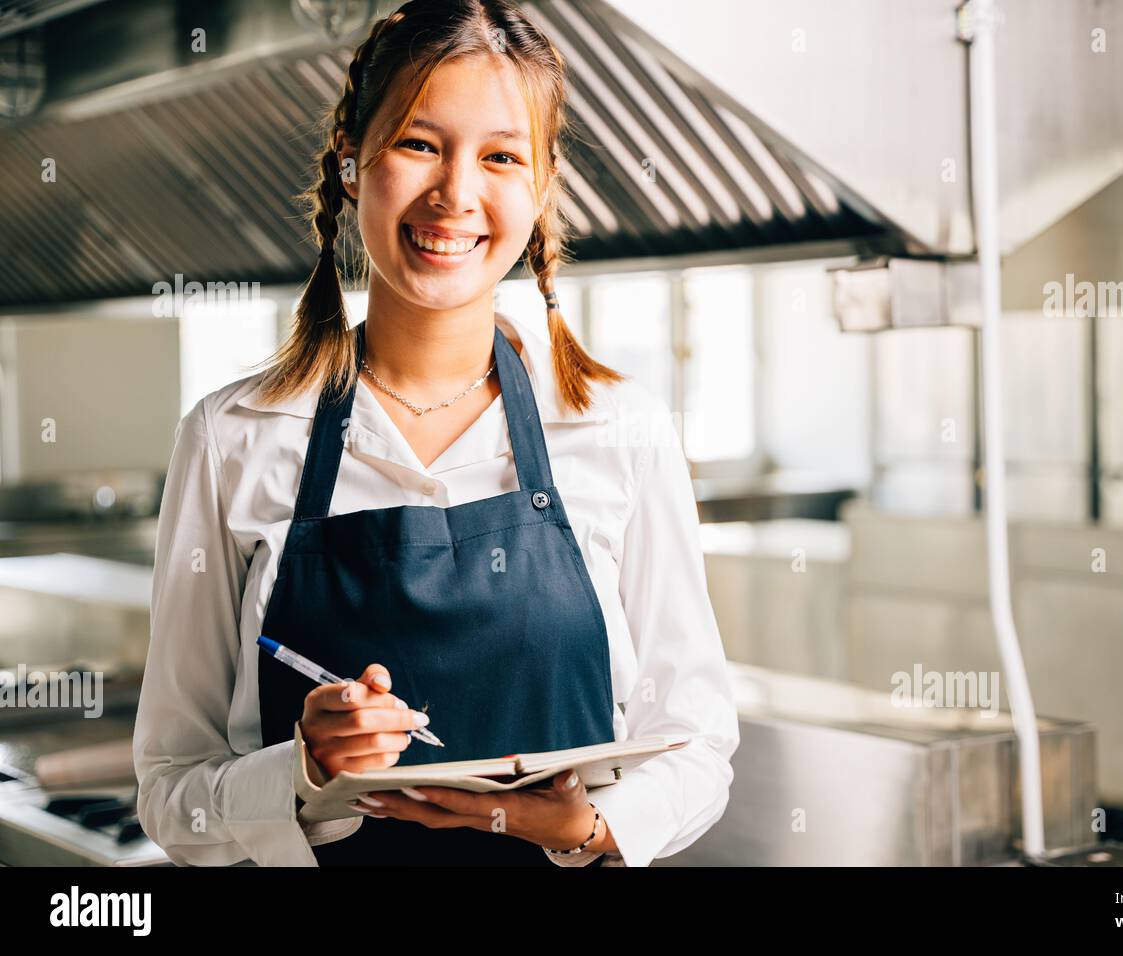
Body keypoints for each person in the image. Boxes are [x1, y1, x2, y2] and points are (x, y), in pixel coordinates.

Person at [132, 0, 739, 867]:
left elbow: (695, 742)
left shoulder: (621, 428)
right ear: (351, 159)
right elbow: (170, 791)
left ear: (542, 183)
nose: (456, 194)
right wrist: (303, 776)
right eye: (420, 143)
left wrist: (586, 829)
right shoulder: (233, 436)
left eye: (500, 156)